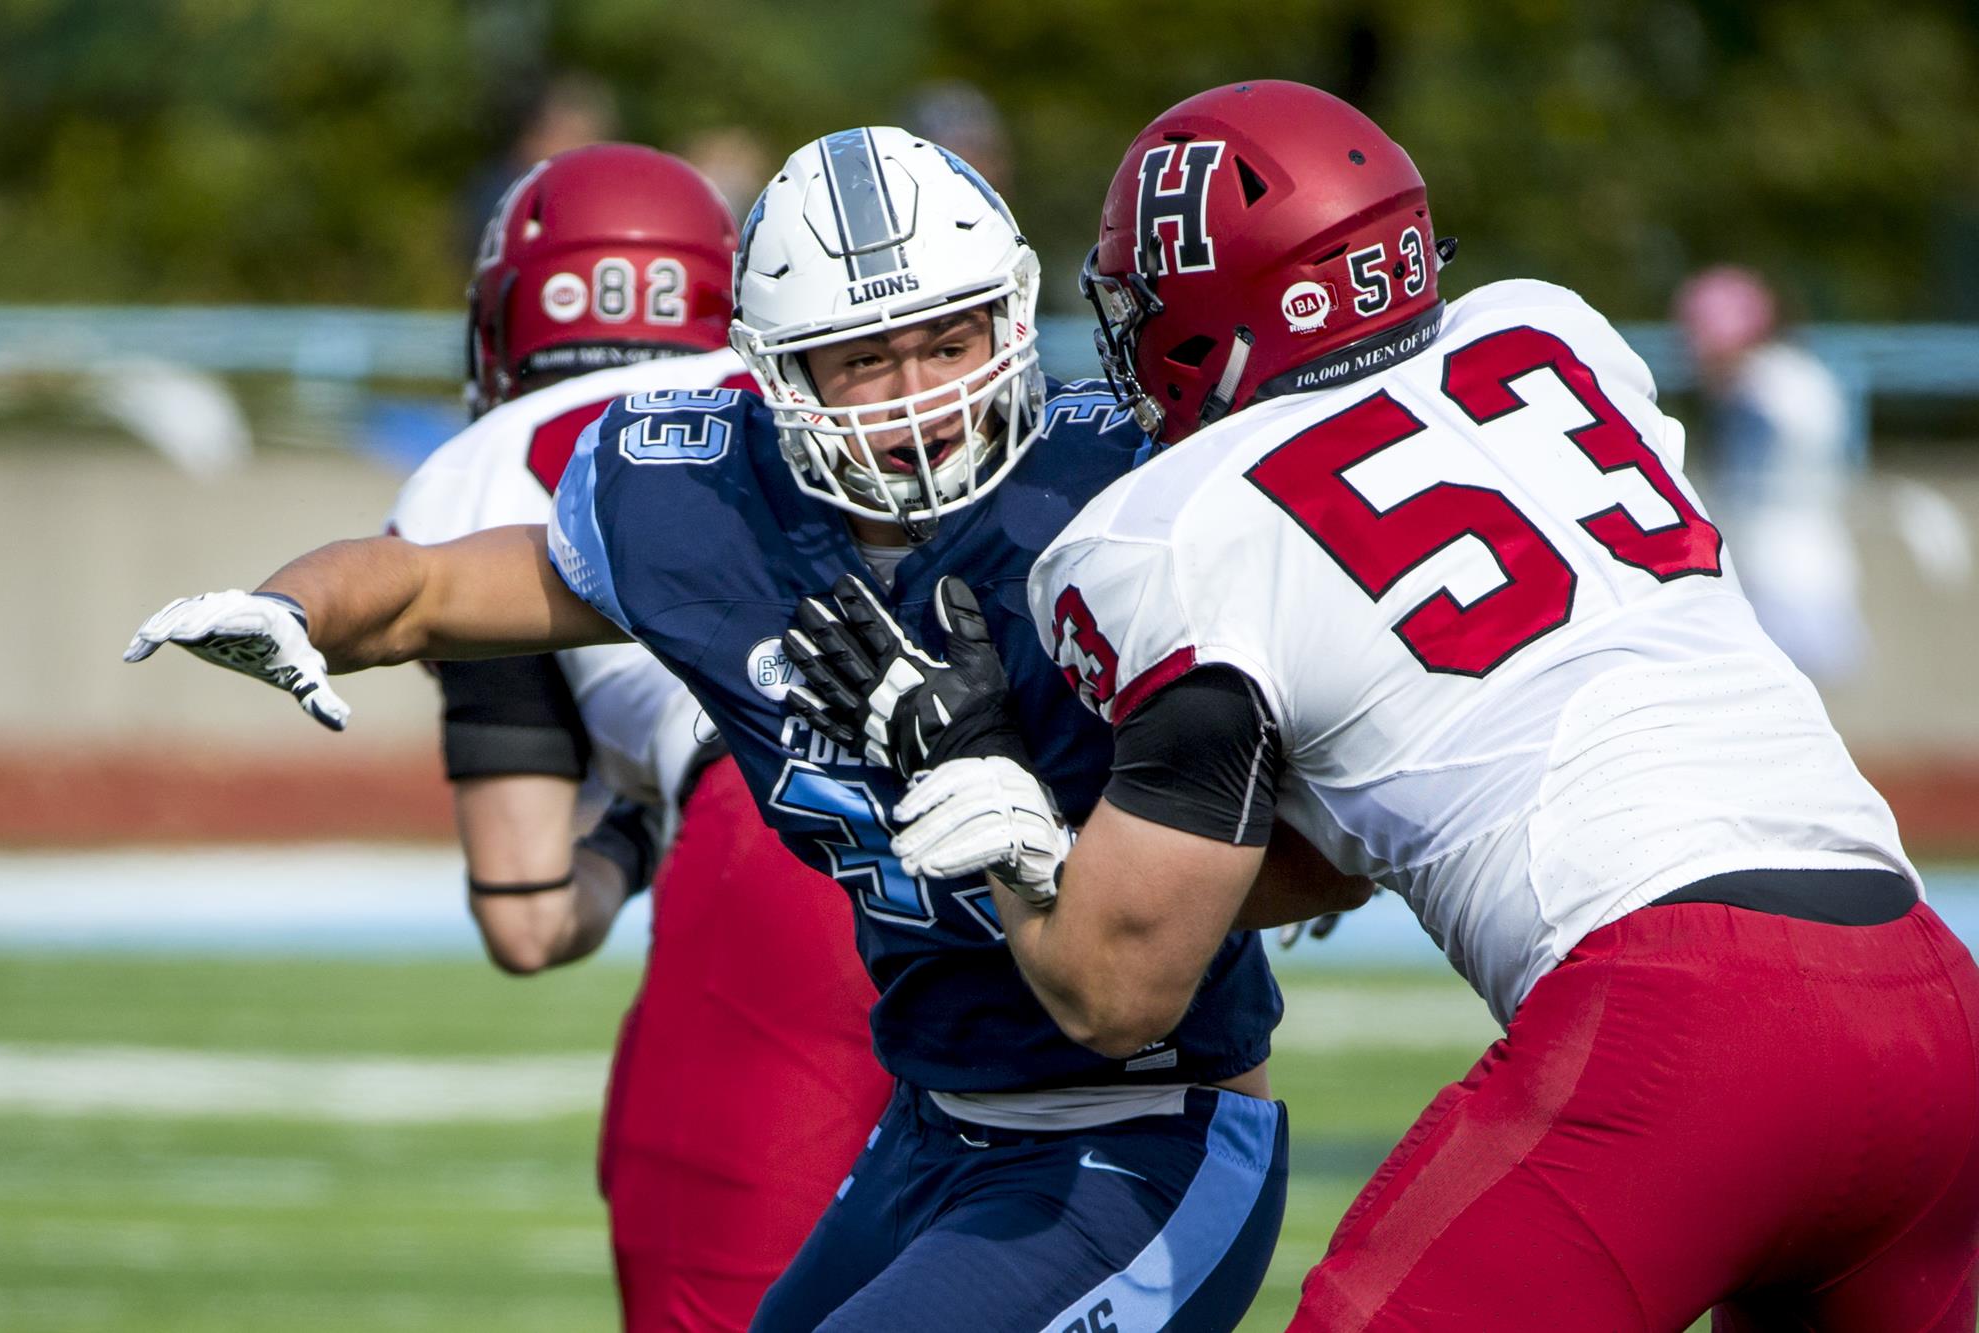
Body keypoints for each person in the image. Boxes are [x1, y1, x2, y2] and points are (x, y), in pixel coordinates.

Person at [790, 82, 1979, 1330]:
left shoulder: (1172, 523)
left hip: (1686, 1022)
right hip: (1929, 1011)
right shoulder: (1551, 336)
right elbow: (1377, 795)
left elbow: (1113, 991)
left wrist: (979, 777)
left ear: (1208, 309)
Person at [125, 128, 1323, 1332]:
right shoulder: (710, 503)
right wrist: (294, 607)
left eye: (948, 342)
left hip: (1138, 1138)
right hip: (934, 1124)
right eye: (863, 361)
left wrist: (1192, 844)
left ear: (1009, 321)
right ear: (773, 371)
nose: (923, 397)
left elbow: (1303, 833)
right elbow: (430, 588)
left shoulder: (1118, 500)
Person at [406, 142, 892, 1332]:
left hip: (781, 840)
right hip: (1011, 806)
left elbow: (528, 913)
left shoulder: (491, 473)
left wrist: (630, 826)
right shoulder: (813, 396)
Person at [1673, 264, 1866, 683]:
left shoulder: (1753, 391)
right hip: (1823, 560)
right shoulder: (1807, 376)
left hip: (1768, 569)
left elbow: (1739, 488)